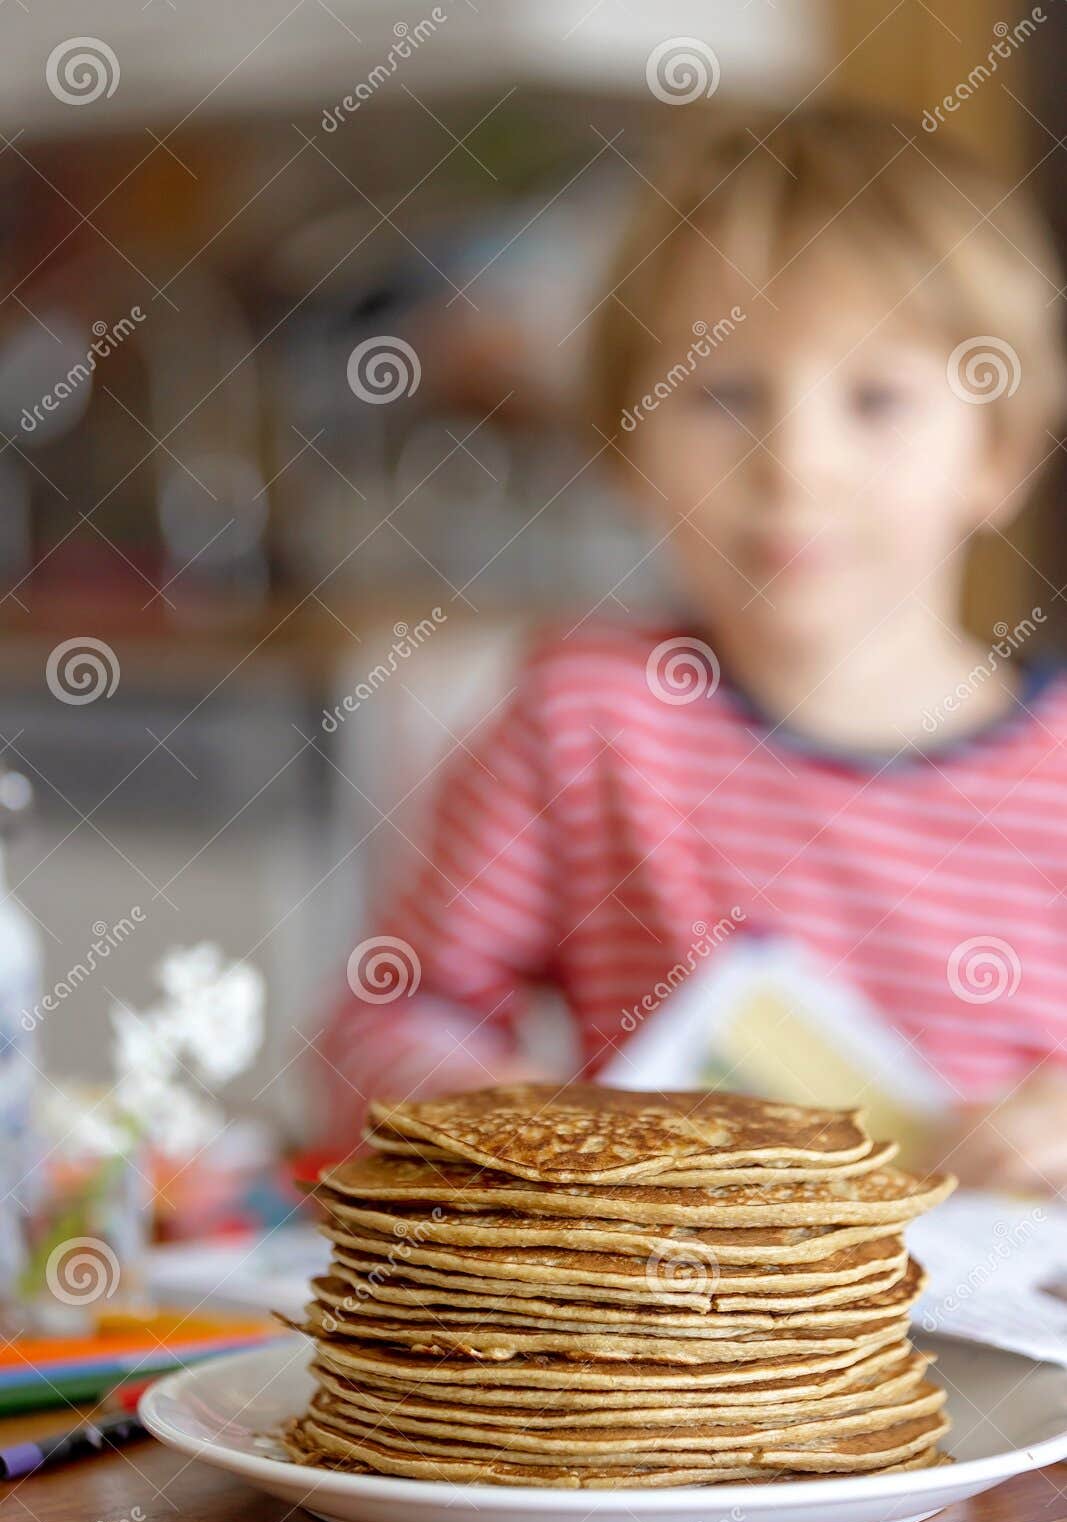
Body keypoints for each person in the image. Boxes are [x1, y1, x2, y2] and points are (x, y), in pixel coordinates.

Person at [316, 104, 1067, 1193]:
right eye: (723, 395)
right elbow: (386, 1017)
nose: (794, 463)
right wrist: (502, 1110)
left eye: (874, 399)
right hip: (673, 1346)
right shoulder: (586, 717)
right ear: (627, 446)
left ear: (993, 455)